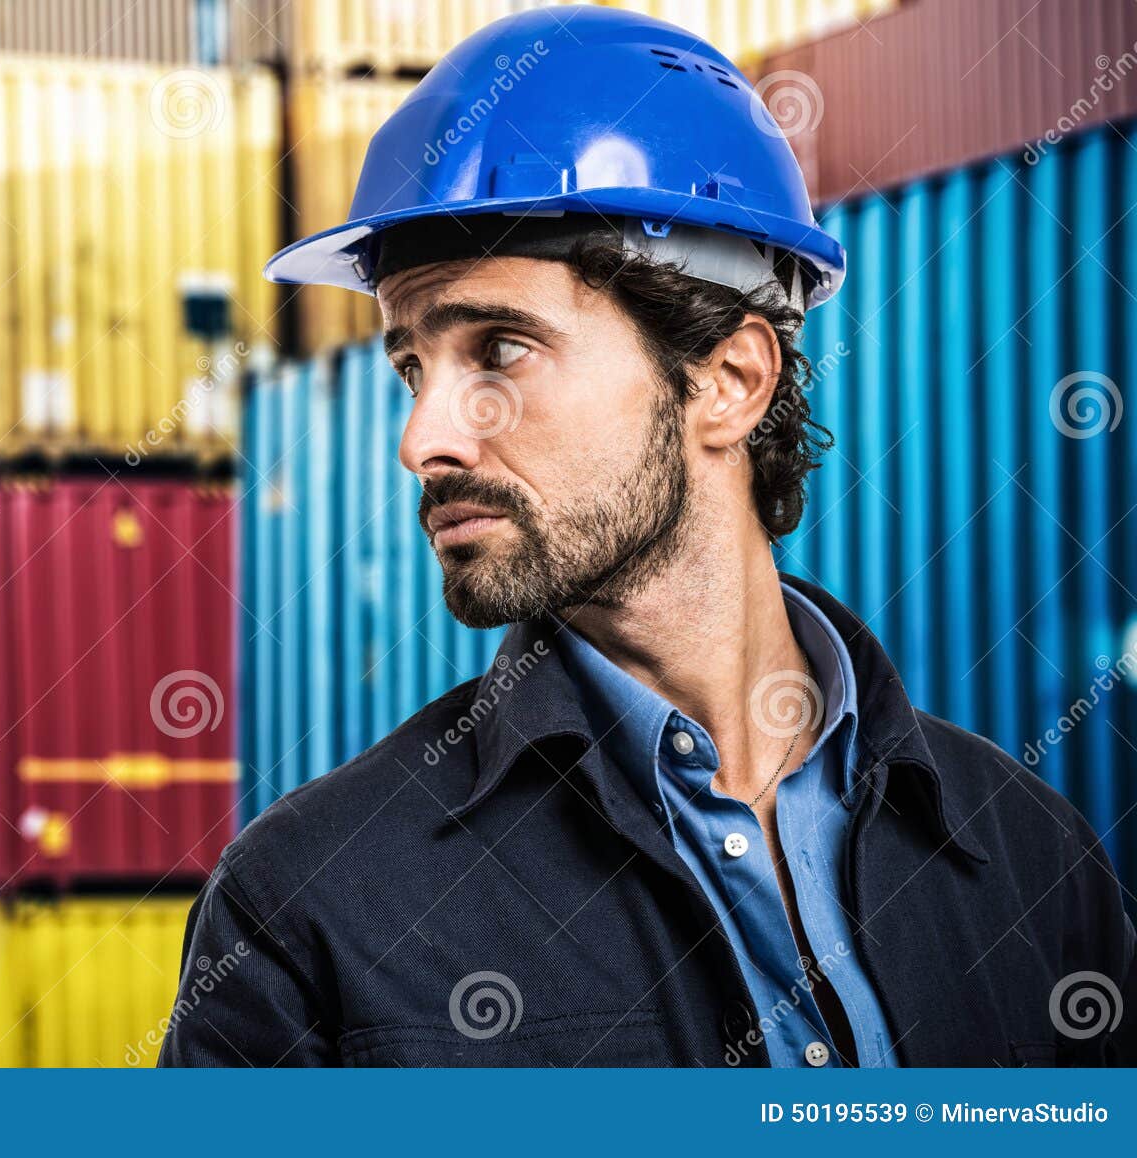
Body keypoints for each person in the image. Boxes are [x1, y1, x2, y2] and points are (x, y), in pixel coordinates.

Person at [159, 5, 1136, 1067]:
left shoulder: (1031, 856)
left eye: (499, 349)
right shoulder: (306, 912)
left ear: (728, 380)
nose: (423, 440)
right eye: (411, 368)